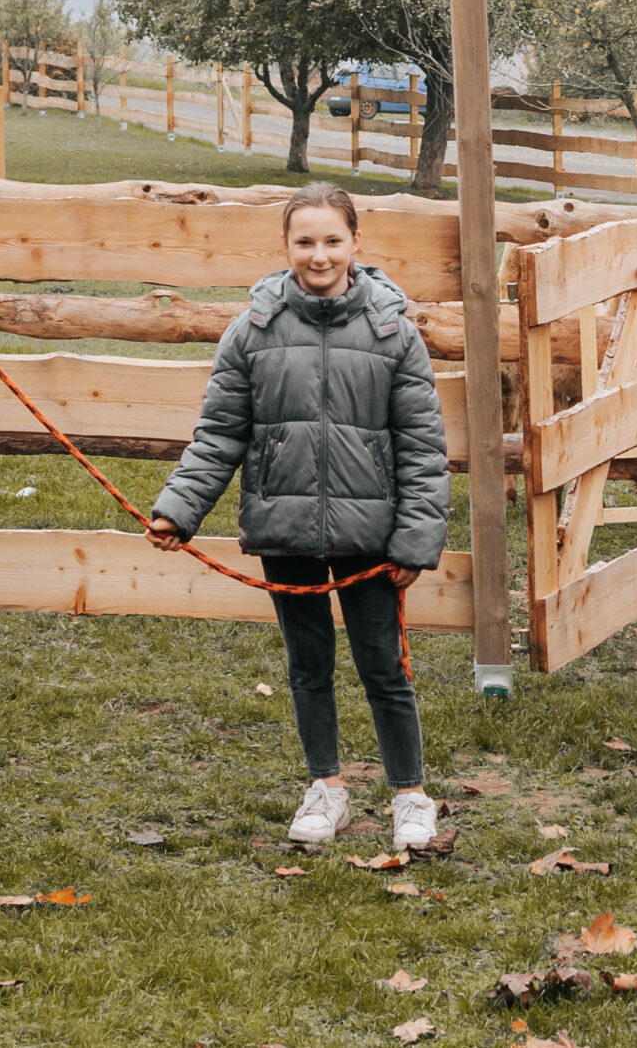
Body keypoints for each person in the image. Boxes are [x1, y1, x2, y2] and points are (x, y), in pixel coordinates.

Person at [148, 183, 450, 848]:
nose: (319, 255)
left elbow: (424, 446)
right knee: (308, 664)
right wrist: (178, 511)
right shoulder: (252, 331)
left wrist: (415, 540)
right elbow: (219, 433)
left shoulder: (392, 332)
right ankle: (326, 789)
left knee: (384, 666)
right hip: (286, 526)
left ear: (356, 243)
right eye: (304, 241)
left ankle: (411, 795)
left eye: (332, 240)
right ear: (285, 246)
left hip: (372, 534)